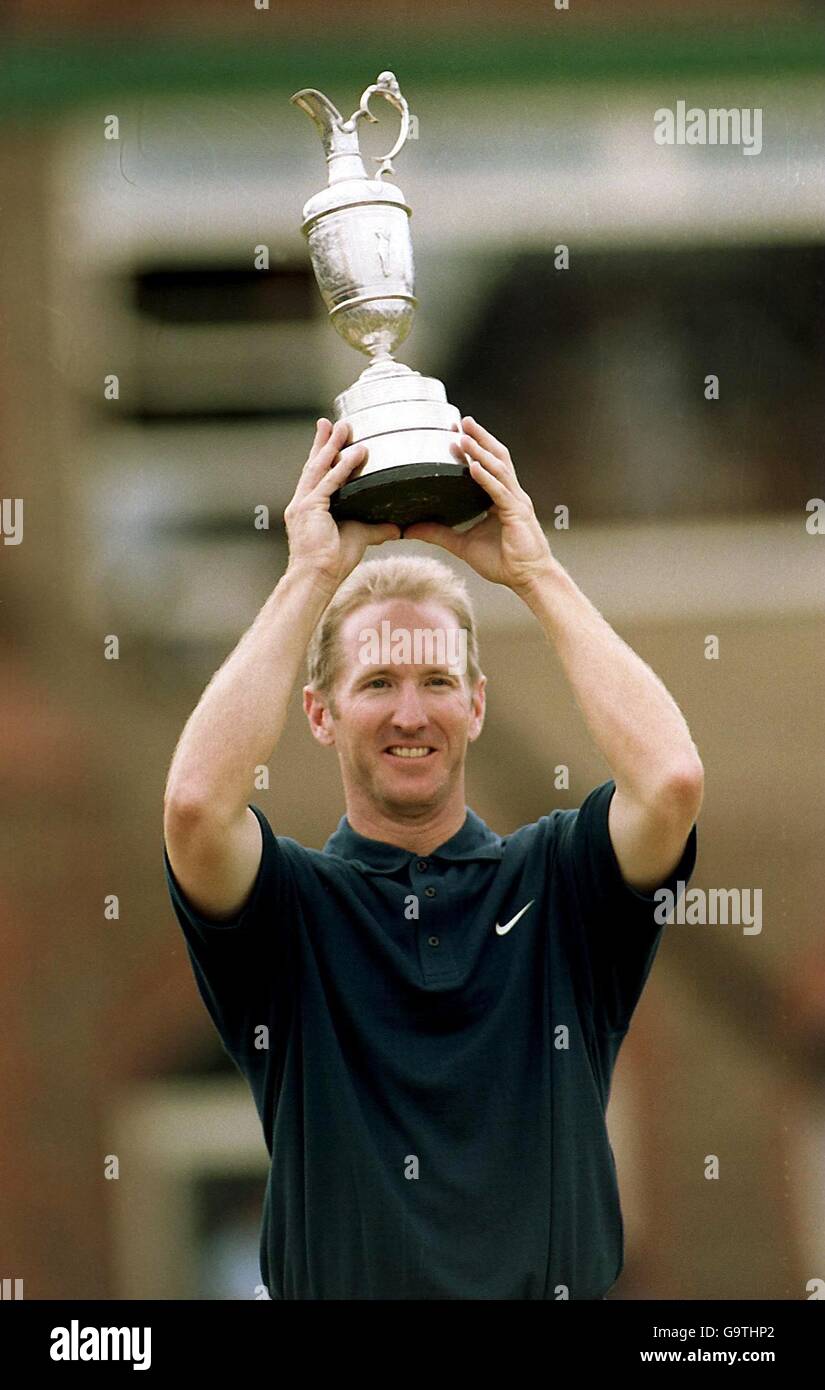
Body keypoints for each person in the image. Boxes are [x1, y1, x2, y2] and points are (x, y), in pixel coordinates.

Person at [163, 415, 703, 1300]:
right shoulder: (290, 907)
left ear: (476, 706)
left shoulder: (561, 882)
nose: (409, 715)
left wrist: (535, 571)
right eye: (376, 683)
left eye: (436, 682)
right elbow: (193, 807)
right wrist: (309, 574)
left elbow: (671, 781)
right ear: (319, 713)